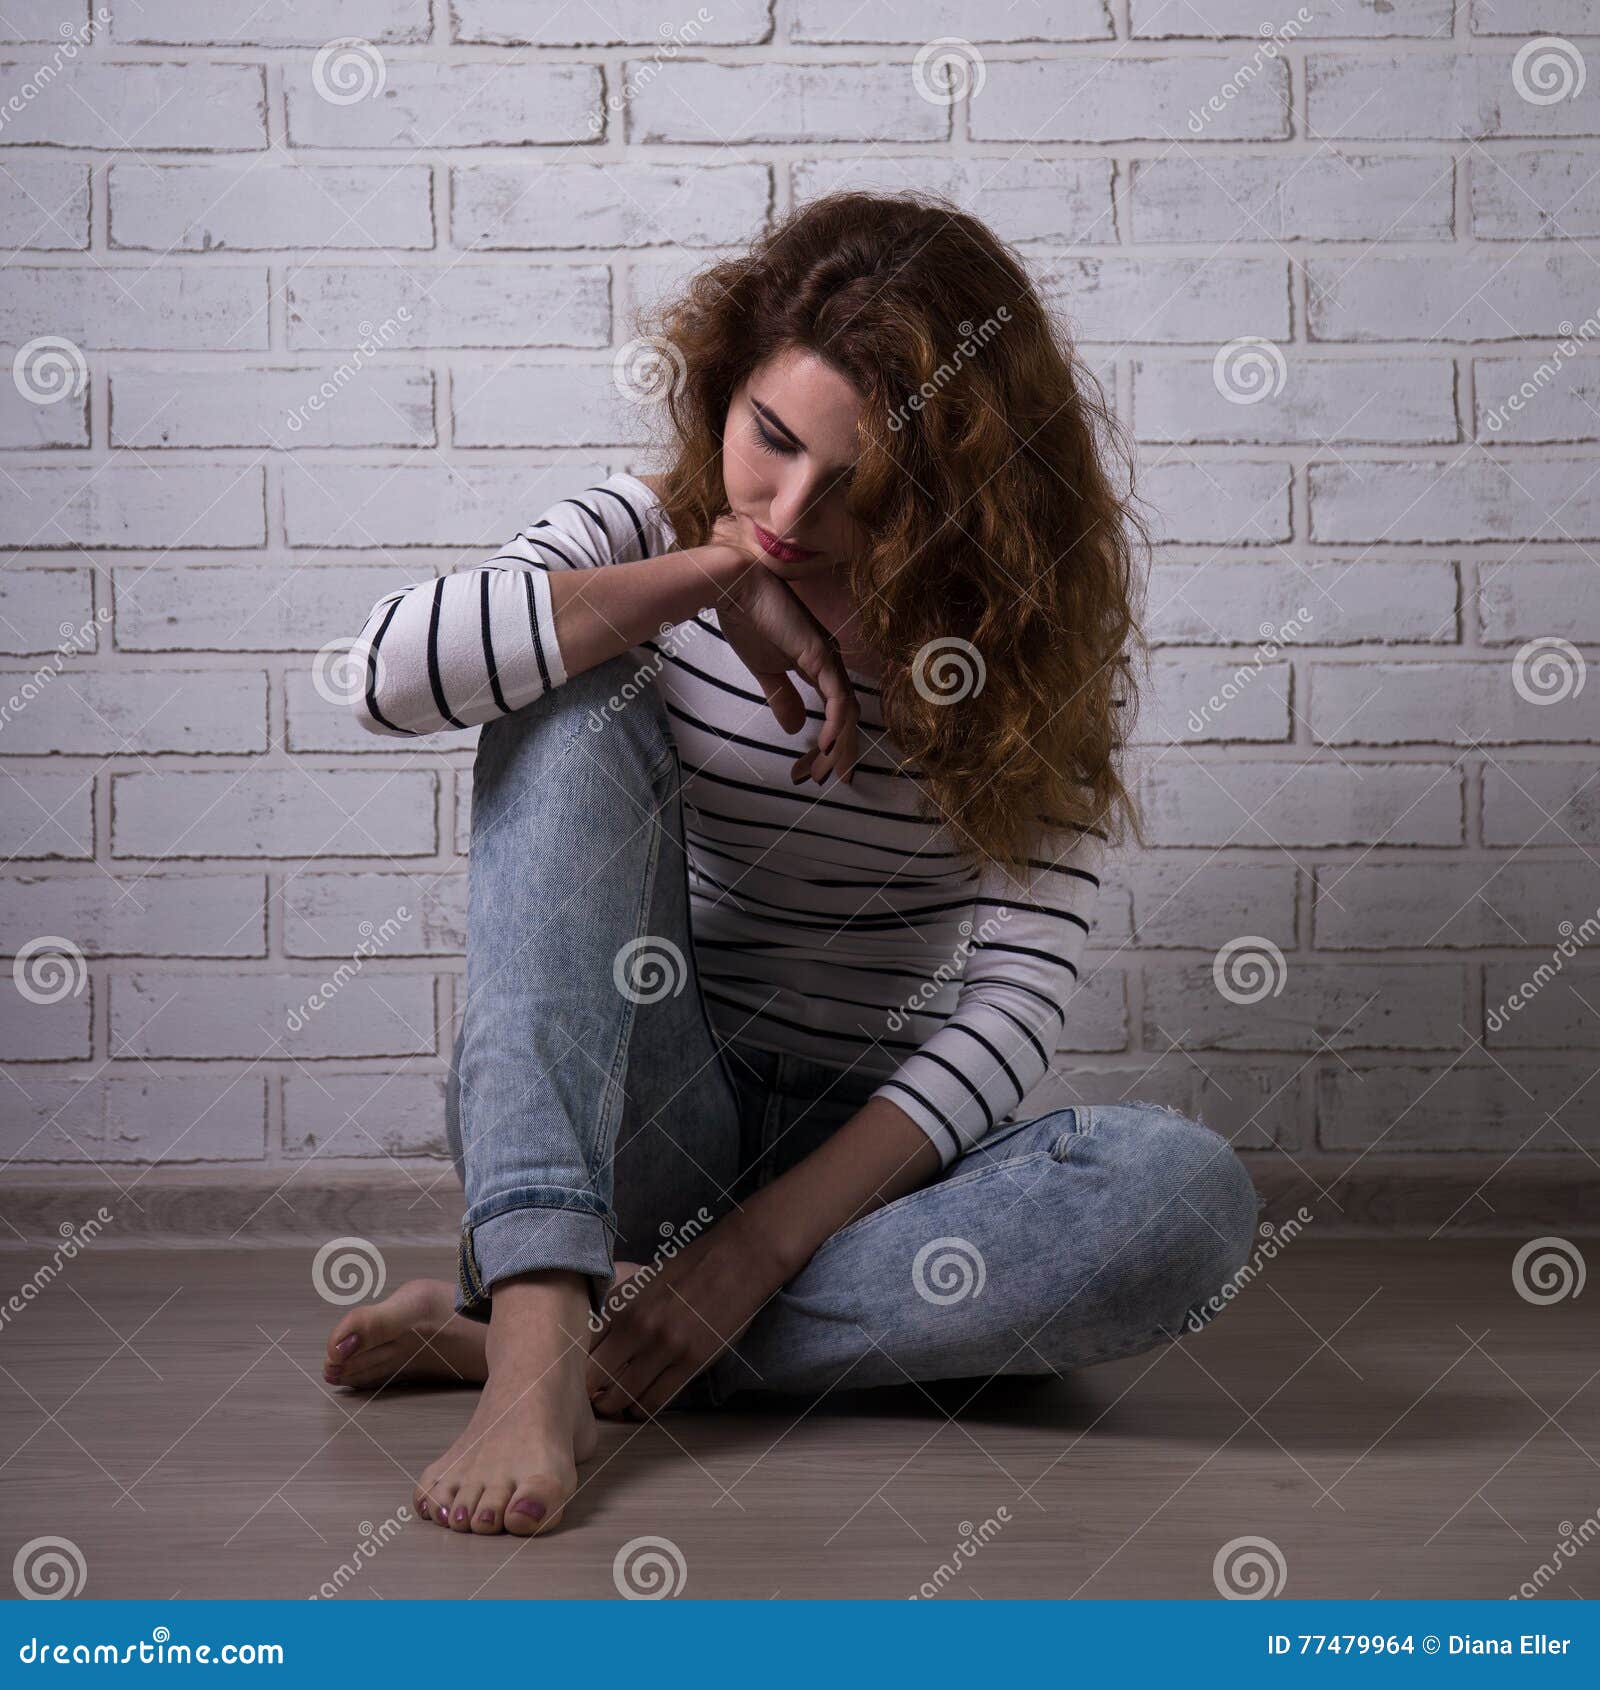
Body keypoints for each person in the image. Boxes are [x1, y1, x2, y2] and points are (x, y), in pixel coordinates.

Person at [320, 191, 1262, 1538]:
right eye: (769, 441)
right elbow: (385, 676)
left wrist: (761, 1251)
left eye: (859, 487)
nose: (790, 510)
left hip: (856, 1169)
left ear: (946, 498)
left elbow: (1013, 998)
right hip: (639, 1110)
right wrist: (698, 577)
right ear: (727, 387)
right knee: (567, 685)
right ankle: (539, 1332)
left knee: (1182, 1202)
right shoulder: (644, 538)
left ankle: (583, 1335)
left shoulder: (1019, 648)